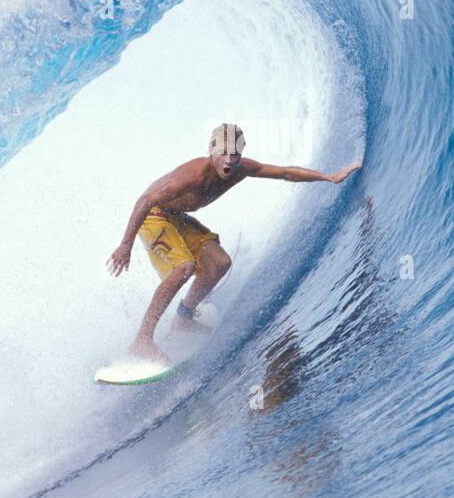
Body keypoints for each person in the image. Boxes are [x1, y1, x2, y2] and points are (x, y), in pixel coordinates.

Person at [106, 123, 362, 363]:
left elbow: (285, 173)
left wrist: (328, 177)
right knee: (183, 268)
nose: (229, 160)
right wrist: (125, 245)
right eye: (224, 153)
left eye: (235, 154)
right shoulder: (194, 175)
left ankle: (183, 316)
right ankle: (142, 340)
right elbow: (145, 201)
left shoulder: (241, 170)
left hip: (175, 217)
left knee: (219, 263)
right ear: (211, 150)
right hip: (153, 216)